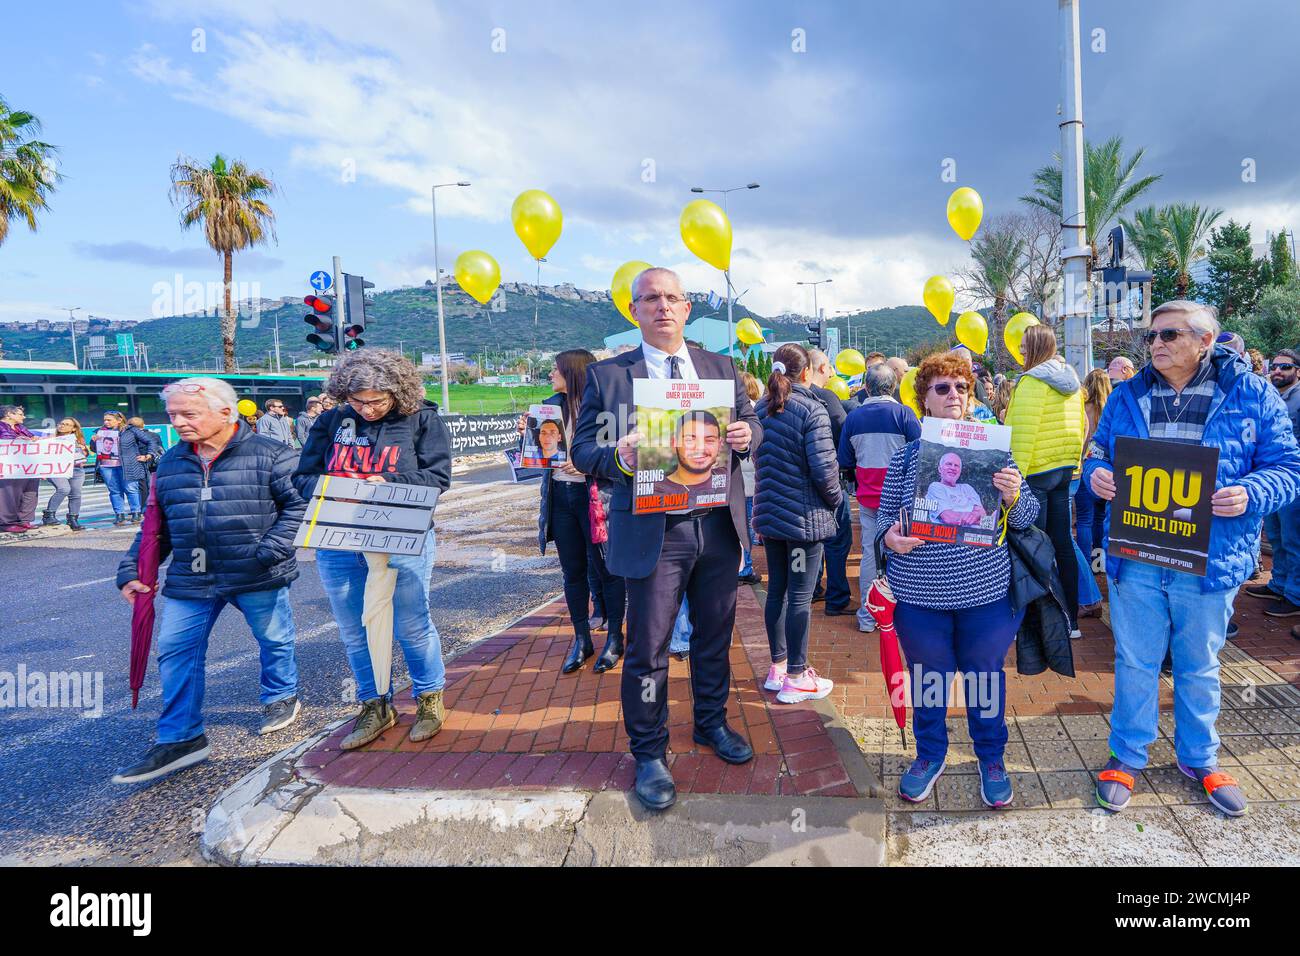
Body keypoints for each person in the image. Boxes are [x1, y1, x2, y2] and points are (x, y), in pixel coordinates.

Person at [1085, 301, 1300, 818]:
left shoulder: (1251, 392)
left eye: (1169, 334)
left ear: (1206, 340)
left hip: (1210, 556)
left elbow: (1287, 467)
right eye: (1152, 336)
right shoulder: (1129, 393)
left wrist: (1251, 492)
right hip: (1138, 553)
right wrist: (1096, 472)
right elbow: (1098, 449)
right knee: (1135, 658)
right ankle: (1128, 754)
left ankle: (1199, 757)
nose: (1156, 344)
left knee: (1199, 663)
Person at [570, 267, 761, 811]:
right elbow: (582, 453)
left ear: (687, 307)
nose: (663, 307)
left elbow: (750, 426)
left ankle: (710, 724)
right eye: (650, 299)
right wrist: (620, 458)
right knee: (649, 647)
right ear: (634, 310)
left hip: (718, 526)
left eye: (673, 298)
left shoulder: (720, 367)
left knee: (713, 637)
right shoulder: (610, 377)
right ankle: (649, 751)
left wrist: (748, 436)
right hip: (654, 531)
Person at [112, 378, 305, 785]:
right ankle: (182, 737)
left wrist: (270, 550)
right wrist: (133, 570)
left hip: (256, 572)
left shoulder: (272, 454)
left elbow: (300, 506)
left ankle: (279, 697)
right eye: (173, 415)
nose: (179, 422)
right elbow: (154, 528)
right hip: (191, 576)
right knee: (175, 651)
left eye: (188, 414)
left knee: (274, 638)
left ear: (225, 412)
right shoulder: (170, 463)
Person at [877, 352, 1037, 807]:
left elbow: (1027, 518)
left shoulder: (994, 454)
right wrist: (891, 538)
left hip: (985, 593)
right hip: (921, 595)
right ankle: (930, 753)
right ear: (923, 399)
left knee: (984, 678)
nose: (953, 395)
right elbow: (884, 524)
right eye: (941, 388)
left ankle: (990, 756)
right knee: (929, 677)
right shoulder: (908, 458)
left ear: (970, 397)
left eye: (961, 388)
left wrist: (1012, 495)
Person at [294, 349, 454, 750]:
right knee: (354, 628)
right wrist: (334, 489)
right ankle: (374, 705)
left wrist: (392, 482)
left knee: (412, 624)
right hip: (340, 539)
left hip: (401, 535)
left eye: (376, 401)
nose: (366, 409)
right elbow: (302, 477)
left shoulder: (422, 419)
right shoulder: (331, 421)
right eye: (357, 401)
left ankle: (429, 698)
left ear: (396, 392)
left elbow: (438, 476)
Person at [753, 344, 842, 702]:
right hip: (803, 520)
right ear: (806, 372)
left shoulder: (760, 409)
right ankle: (796, 675)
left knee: (778, 591)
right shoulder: (811, 410)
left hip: (772, 516)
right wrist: (836, 500)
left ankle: (778, 667)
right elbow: (824, 469)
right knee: (800, 597)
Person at [530, 349, 626, 674]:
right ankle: (581, 638)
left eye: (555, 370)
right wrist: (526, 438)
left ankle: (615, 636)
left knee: (606, 568)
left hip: (594, 495)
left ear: (571, 372)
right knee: (572, 572)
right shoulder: (548, 408)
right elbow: (536, 457)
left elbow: (618, 453)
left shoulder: (601, 408)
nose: (550, 376)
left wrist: (586, 466)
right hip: (560, 496)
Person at [1003, 325, 1088, 636]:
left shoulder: (1030, 383)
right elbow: (1081, 426)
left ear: (1036, 348)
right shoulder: (1073, 381)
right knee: (1062, 543)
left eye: (1025, 346)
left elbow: (1020, 436)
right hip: (1064, 470)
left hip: (1035, 472)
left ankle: (1041, 623)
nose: (1021, 351)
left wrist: (1015, 479)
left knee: (1034, 548)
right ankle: (1071, 621)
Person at [840, 362, 920, 633]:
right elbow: (921, 454)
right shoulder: (905, 415)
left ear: (865, 387)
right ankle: (898, 618)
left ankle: (867, 615)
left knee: (869, 556)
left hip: (868, 498)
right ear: (894, 385)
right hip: (901, 500)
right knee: (902, 557)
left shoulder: (853, 418)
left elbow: (845, 460)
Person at [1242, 348, 1300, 618]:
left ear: (1297, 372)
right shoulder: (1272, 396)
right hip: (1271, 481)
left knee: (1293, 539)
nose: (1278, 370)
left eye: (1285, 367)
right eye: (1275, 366)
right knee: (1276, 536)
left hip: (1293, 481)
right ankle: (1279, 583)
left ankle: (1295, 595)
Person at [806, 348, 852, 614]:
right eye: (830, 367)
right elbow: (843, 431)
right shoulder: (826, 398)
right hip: (830, 478)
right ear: (822, 368)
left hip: (800, 484)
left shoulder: (784, 398)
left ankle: (812, 589)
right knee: (836, 540)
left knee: (812, 538)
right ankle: (837, 597)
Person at [1075, 369, 1113, 614]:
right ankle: (1101, 558)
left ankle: (1088, 564)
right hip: (1108, 473)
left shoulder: (1083, 409)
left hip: (1087, 470)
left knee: (1085, 521)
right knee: (1100, 517)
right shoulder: (1111, 408)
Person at [93, 411, 146, 525]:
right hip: (106, 466)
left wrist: (147, 455)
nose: (105, 422)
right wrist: (94, 441)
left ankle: (136, 512)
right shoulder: (100, 432)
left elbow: (148, 441)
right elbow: (94, 449)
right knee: (114, 491)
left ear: (119, 420)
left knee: (131, 489)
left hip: (126, 464)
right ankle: (119, 514)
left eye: (109, 420)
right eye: (105, 420)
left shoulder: (129, 430)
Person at [43, 418, 90, 531]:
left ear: (73, 428)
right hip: (57, 469)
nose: (62, 426)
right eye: (61, 423)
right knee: (64, 489)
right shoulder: (50, 438)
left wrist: (83, 450)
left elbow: (85, 455)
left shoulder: (78, 440)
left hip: (76, 469)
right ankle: (49, 515)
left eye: (66, 424)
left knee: (76, 494)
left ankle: (73, 519)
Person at [737, 372, 762, 585]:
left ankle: (744, 564)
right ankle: (745, 566)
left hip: (742, 477)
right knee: (746, 526)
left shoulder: (745, 412)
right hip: (750, 477)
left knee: (742, 525)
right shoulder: (756, 412)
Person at [0, 404, 40, 532]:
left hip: (26, 466)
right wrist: (19, 439)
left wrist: (33, 438)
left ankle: (24, 520)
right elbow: (6, 440)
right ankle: (7, 522)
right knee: (10, 494)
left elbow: (30, 437)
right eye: (20, 414)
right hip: (8, 467)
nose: (24, 416)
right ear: (9, 414)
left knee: (31, 491)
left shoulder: (20, 427)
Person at [127, 416, 164, 510]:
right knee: (154, 484)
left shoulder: (130, 436)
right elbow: (160, 449)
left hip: (139, 462)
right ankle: (158, 504)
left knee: (142, 486)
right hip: (154, 462)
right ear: (143, 425)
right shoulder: (154, 435)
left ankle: (144, 507)